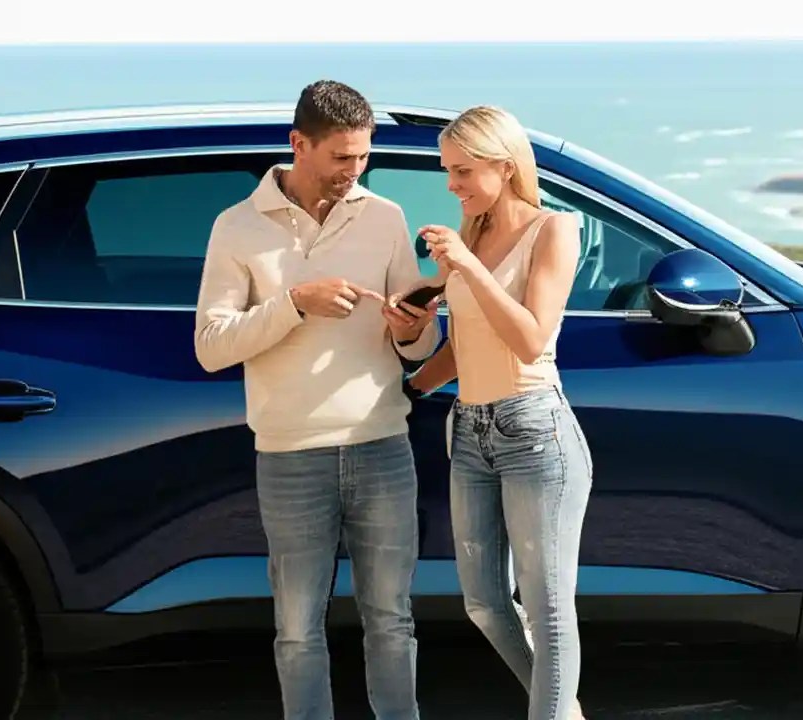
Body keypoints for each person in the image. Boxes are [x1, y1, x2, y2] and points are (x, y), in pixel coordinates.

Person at [193, 79, 440, 720]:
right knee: (299, 629)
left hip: (382, 446)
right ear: (298, 144)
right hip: (290, 456)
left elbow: (416, 341)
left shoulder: (384, 216)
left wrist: (413, 331)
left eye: (363, 157)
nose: (354, 172)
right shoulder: (237, 228)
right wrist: (294, 304)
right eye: (341, 158)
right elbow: (211, 346)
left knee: (392, 620)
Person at [404, 105, 594, 720]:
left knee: (548, 607)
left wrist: (466, 265)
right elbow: (464, 346)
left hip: (534, 429)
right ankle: (563, 710)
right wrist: (408, 387)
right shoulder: (474, 232)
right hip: (471, 429)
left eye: (462, 171)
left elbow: (531, 338)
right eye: (448, 172)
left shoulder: (554, 230)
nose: (452, 185)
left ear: (505, 165)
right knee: (484, 601)